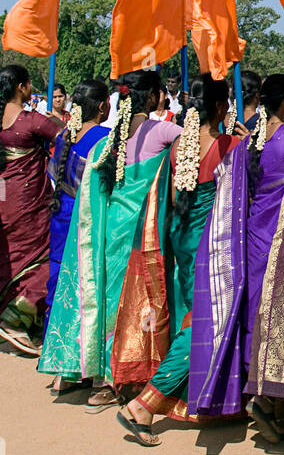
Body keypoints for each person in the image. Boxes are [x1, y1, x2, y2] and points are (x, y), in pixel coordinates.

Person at [187, 64, 284, 438]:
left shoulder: (253, 137)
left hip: (256, 237)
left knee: (262, 318)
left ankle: (269, 402)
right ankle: (271, 402)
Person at [40, 70, 181, 406]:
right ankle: (111, 378)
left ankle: (85, 370)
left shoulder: (111, 138)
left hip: (109, 227)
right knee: (132, 301)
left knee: (105, 295)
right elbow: (188, 157)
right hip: (140, 228)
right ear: (152, 97)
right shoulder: (161, 129)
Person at [118, 75, 237, 445]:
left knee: (192, 312)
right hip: (209, 245)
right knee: (204, 322)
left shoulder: (178, 147)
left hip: (182, 239)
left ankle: (192, 398)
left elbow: (172, 195)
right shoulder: (228, 145)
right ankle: (146, 403)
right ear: (220, 108)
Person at [0, 65, 66, 355]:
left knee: (8, 262)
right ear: (21, 87)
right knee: (42, 259)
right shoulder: (32, 121)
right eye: (29, 85)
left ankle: (26, 324)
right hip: (28, 205)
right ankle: (14, 321)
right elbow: (68, 141)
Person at [43, 79, 111, 353]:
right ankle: (79, 358)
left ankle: (54, 349)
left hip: (61, 218)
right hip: (87, 223)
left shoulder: (63, 137)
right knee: (87, 288)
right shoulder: (105, 139)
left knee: (59, 284)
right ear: (103, 106)